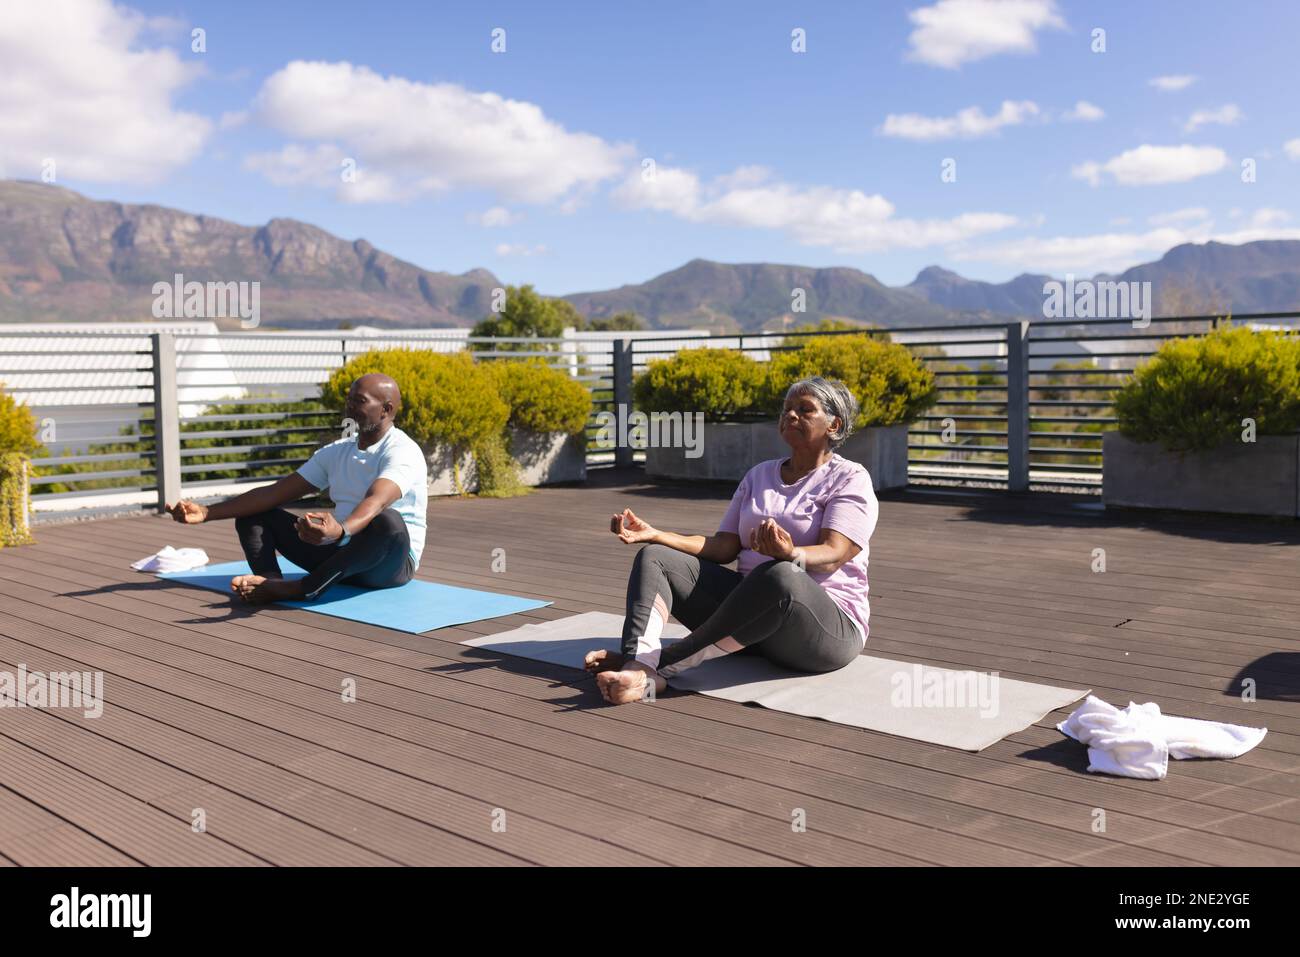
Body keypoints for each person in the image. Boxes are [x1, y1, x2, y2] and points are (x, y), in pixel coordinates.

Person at [587, 376, 878, 705]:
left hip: (825, 633)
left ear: (834, 424)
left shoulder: (850, 478)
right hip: (750, 627)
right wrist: (655, 534)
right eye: (786, 410)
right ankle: (639, 662)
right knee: (656, 557)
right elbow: (724, 547)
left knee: (781, 574)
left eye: (805, 409)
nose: (791, 416)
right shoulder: (759, 475)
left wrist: (789, 553)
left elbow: (835, 554)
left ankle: (655, 669)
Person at [165, 373, 428, 604]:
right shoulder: (337, 452)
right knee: (255, 511)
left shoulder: (402, 451)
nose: (349, 405)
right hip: (339, 553)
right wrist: (207, 512)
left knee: (388, 521)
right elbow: (274, 493)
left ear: (386, 409)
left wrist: (340, 531)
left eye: (359, 400)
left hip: (386, 564)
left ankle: (300, 589)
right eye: (349, 399)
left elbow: (377, 501)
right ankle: (269, 582)